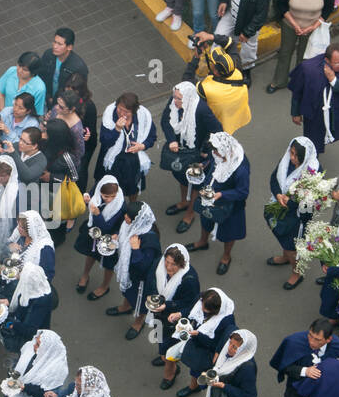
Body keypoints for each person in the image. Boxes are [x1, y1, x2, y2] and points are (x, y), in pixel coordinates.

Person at [267, 0, 335, 93]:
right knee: (285, 52)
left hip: (312, 27)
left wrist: (312, 27)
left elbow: (328, 9)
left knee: (305, 56)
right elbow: (281, 5)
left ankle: (300, 81)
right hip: (290, 25)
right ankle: (279, 81)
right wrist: (295, 24)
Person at [158, 82, 221, 236]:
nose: (175, 101)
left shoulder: (201, 109)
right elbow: (165, 120)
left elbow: (218, 131)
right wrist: (172, 139)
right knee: (181, 177)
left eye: (179, 99)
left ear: (187, 98)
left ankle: (190, 214)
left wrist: (206, 150)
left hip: (196, 153)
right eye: (175, 97)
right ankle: (184, 202)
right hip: (179, 150)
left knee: (195, 183)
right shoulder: (175, 99)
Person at [187, 131, 250, 276]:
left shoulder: (241, 168)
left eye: (216, 151)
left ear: (226, 150)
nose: (214, 153)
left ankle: (226, 256)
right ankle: (203, 241)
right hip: (210, 195)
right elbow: (210, 162)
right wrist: (203, 166)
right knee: (205, 219)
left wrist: (222, 194)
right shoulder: (218, 153)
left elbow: (243, 192)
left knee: (229, 232)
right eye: (213, 150)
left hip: (230, 204)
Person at [198, 0, 271, 78]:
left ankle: (246, 71)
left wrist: (247, 32)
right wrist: (224, 0)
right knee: (218, 37)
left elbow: (261, 15)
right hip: (231, 14)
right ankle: (218, 67)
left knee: (248, 49)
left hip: (247, 23)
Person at [265, 136, 320, 289]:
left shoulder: (313, 172)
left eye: (296, 156)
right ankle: (285, 257)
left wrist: (290, 202)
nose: (292, 158)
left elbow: (309, 207)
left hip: (297, 218)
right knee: (282, 237)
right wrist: (278, 195)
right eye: (292, 152)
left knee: (291, 246)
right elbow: (273, 179)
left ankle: (297, 272)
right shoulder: (286, 162)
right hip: (281, 207)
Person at [94, 93, 154, 199]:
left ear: (133, 111)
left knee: (133, 189)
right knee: (109, 190)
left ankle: (130, 210)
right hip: (113, 159)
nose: (122, 113)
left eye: (126, 112)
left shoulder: (143, 117)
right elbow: (104, 140)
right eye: (120, 109)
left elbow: (152, 137)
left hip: (133, 160)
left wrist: (143, 146)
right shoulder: (110, 116)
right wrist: (116, 129)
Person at [37, 28, 88, 107]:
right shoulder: (48, 55)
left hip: (63, 104)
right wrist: (47, 97)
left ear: (69, 47)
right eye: (54, 42)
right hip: (46, 97)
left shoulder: (79, 67)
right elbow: (41, 76)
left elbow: (79, 91)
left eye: (59, 44)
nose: (55, 46)